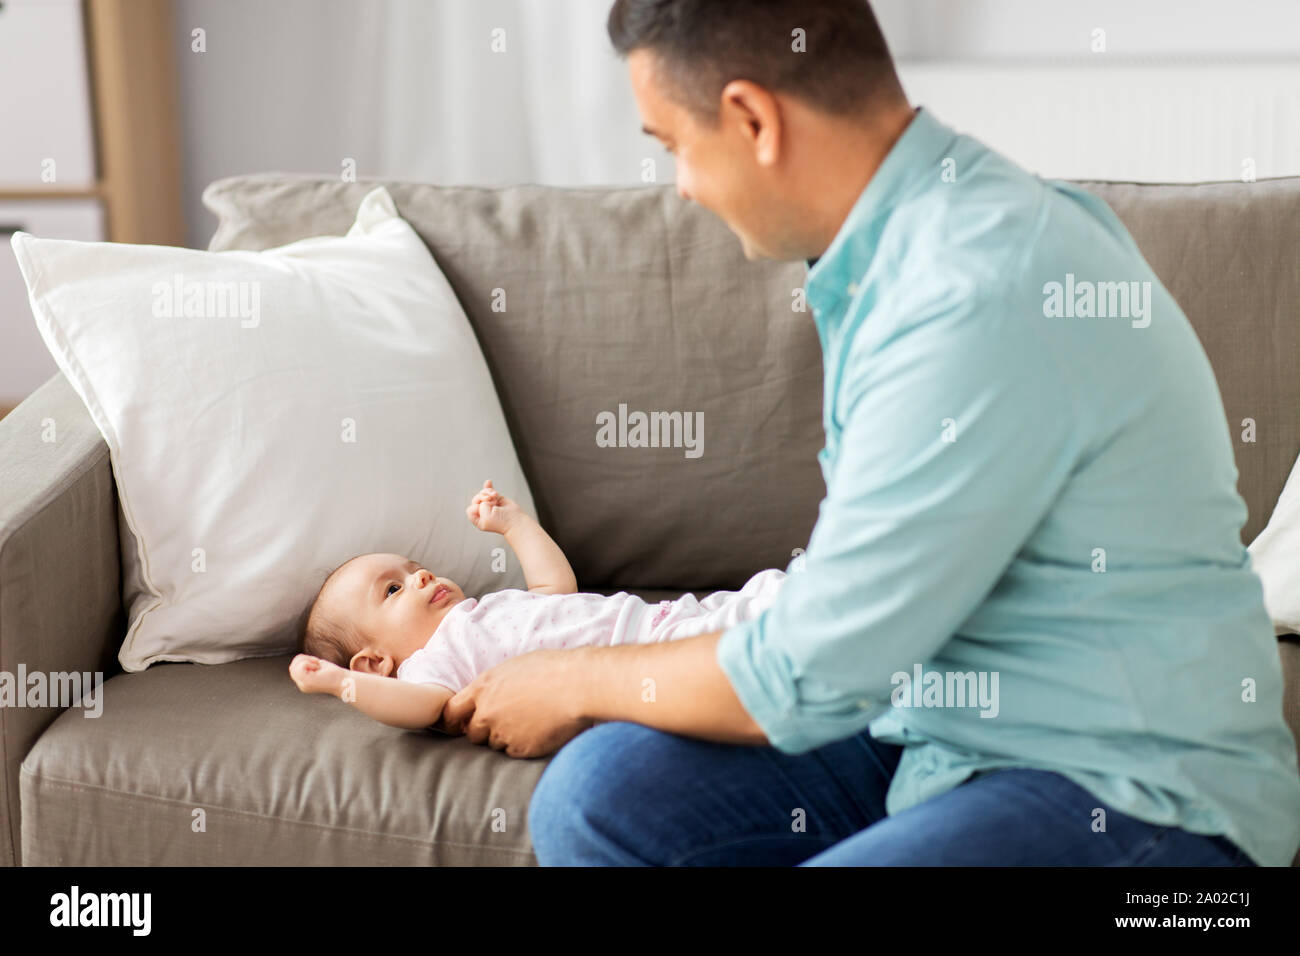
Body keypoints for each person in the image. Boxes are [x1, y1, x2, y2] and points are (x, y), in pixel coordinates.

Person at [443, 0, 1300, 867]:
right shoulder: (892, 251)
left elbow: (811, 668)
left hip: (1138, 799)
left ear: (751, 118)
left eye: (672, 145)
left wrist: (574, 678)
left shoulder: (972, 291)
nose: (683, 186)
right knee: (598, 802)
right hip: (937, 727)